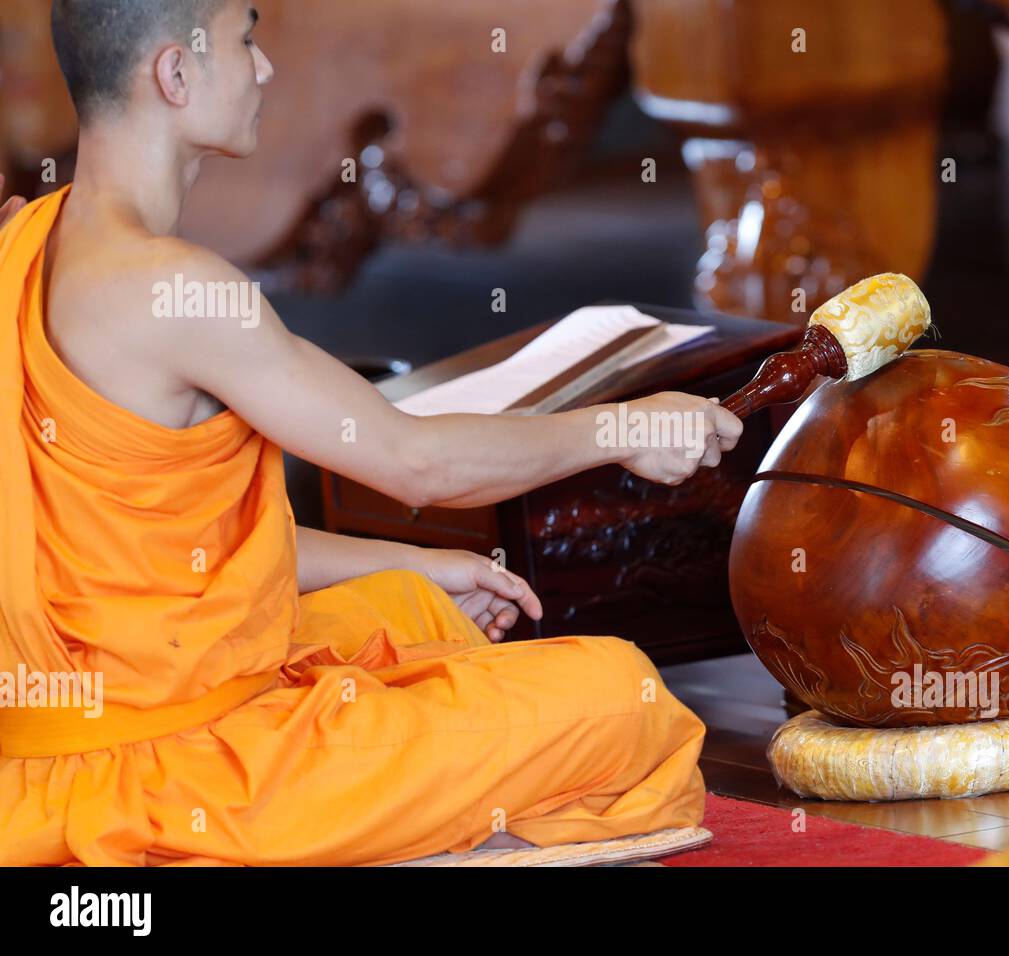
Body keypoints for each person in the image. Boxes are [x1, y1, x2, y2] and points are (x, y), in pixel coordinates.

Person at [0, 0, 742, 865]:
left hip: (47, 746)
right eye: (246, 40)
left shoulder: (26, 242)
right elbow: (417, 462)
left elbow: (174, 558)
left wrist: (419, 562)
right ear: (175, 72)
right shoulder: (174, 290)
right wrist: (621, 428)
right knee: (631, 700)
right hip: (170, 775)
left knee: (414, 606)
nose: (264, 68)